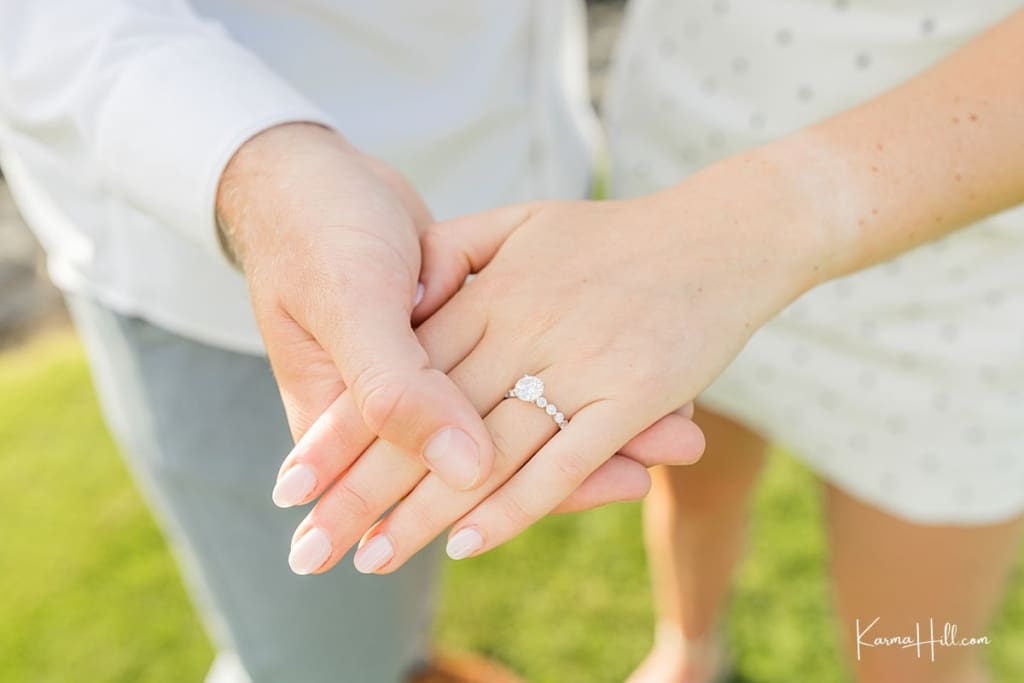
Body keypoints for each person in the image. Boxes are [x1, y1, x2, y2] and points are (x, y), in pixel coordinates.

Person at [275, 3, 1024, 683]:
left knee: (913, 653)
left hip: (941, 275)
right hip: (680, 166)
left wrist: (729, 231)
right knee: (692, 483)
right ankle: (690, 650)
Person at [0, 2, 705, 682]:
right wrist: (258, 164)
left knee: (394, 575)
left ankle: (408, 660)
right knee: (319, 652)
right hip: (234, 274)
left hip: (515, 195)